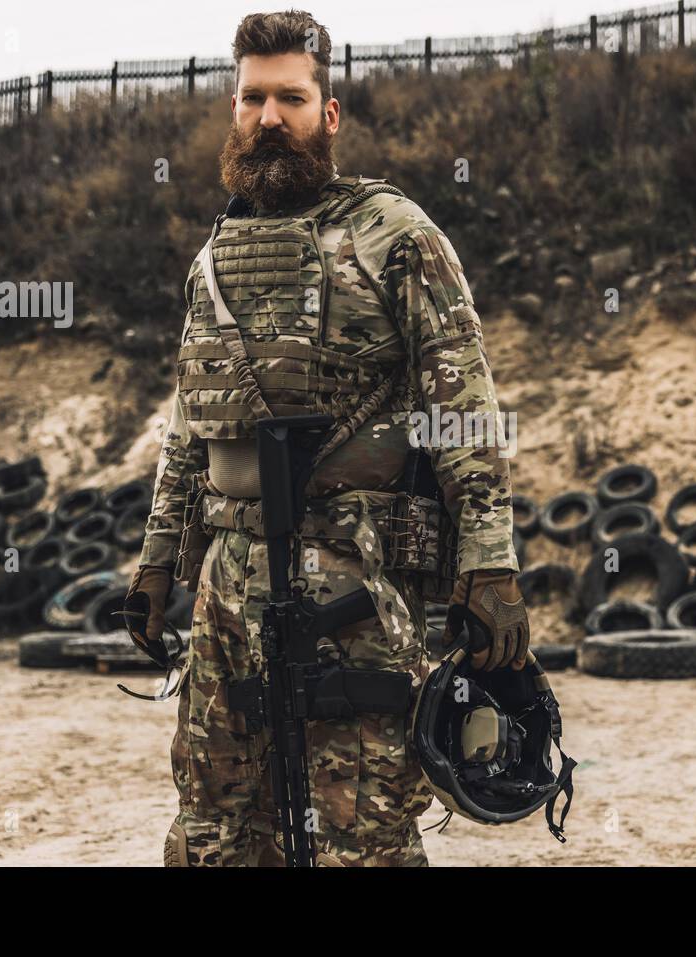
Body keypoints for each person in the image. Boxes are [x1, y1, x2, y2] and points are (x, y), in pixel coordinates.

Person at [127, 9, 529, 867]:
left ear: (329, 113)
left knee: (361, 839)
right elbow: (190, 423)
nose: (269, 117)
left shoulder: (397, 235)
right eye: (252, 98)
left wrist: (489, 564)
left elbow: (464, 406)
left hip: (354, 580)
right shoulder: (213, 256)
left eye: (291, 98)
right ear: (233, 110)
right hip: (225, 586)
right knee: (213, 833)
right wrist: (161, 557)